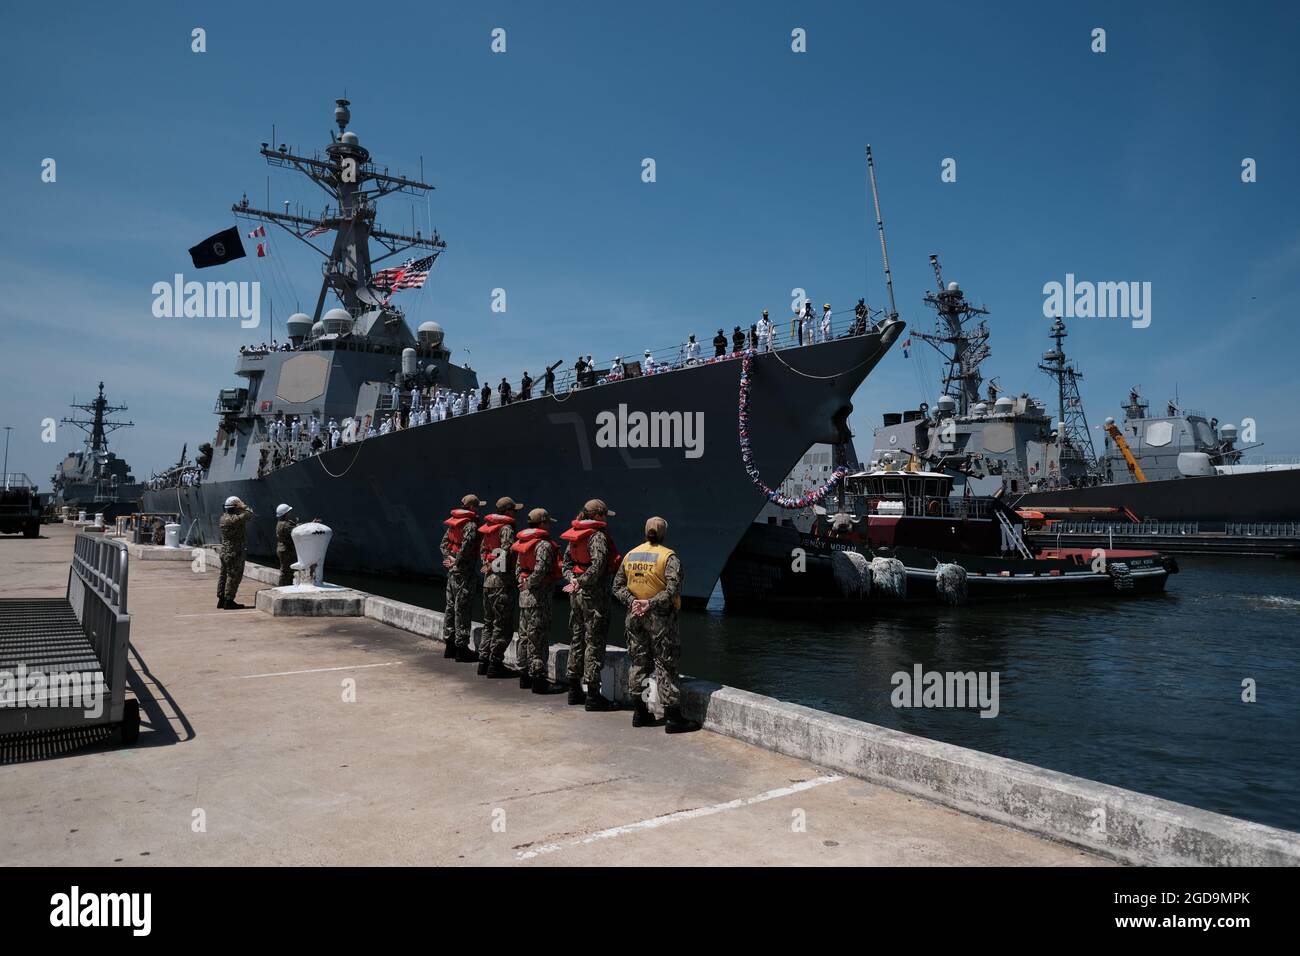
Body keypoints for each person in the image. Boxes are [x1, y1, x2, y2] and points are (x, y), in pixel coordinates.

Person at [613, 516, 700, 733]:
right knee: (665, 663)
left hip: (634, 616)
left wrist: (633, 602)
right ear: (663, 534)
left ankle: (640, 712)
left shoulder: (630, 555)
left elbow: (616, 586)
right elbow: (673, 590)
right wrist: (650, 603)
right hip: (660, 618)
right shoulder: (669, 557)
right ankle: (672, 717)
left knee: (639, 662)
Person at [560, 499, 622, 711]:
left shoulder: (575, 536)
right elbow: (599, 566)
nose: (606, 519)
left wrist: (572, 580)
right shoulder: (597, 537)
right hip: (594, 598)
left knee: (577, 639)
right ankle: (593, 695)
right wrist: (581, 581)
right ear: (597, 516)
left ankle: (573, 688)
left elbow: (566, 564)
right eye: (604, 515)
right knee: (594, 642)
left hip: (576, 596)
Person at [511, 508, 566, 694]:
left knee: (524, 637)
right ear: (542, 523)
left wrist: (523, 582)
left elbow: (518, 568)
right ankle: (539, 680)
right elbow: (542, 569)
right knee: (539, 639)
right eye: (547, 522)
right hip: (539, 597)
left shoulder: (522, 543)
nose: (549, 525)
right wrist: (531, 584)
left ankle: (523, 676)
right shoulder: (543, 545)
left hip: (524, 598)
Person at [477, 497, 524, 677]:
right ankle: (495, 664)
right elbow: (506, 550)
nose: (516, 514)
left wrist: (487, 565)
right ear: (507, 512)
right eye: (514, 511)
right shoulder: (506, 529)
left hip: (488, 581)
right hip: (502, 583)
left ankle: (483, 661)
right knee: (502, 625)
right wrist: (495, 567)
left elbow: (483, 550)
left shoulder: (489, 529)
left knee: (488, 623)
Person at [440, 494, 483, 662]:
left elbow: (443, 544)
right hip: (465, 573)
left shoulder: (453, 523)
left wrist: (450, 559)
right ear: (472, 507)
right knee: (462, 609)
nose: (478, 509)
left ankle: (449, 645)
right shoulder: (470, 524)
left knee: (450, 608)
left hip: (452, 573)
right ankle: (461, 648)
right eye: (477, 506)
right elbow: (468, 545)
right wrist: (457, 561)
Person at [217, 496, 255, 610]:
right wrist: (243, 506)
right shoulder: (234, 520)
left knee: (223, 575)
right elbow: (249, 514)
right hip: (234, 552)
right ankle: (229, 601)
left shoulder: (223, 518)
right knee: (233, 576)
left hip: (225, 551)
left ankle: (221, 599)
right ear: (234, 508)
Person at [275, 503, 298, 586]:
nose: (290, 513)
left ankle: (285, 586)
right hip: (286, 550)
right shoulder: (286, 525)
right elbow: (297, 529)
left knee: (286, 570)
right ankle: (283, 587)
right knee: (287, 571)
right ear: (285, 513)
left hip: (282, 549)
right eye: (288, 512)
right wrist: (311, 523)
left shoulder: (280, 522)